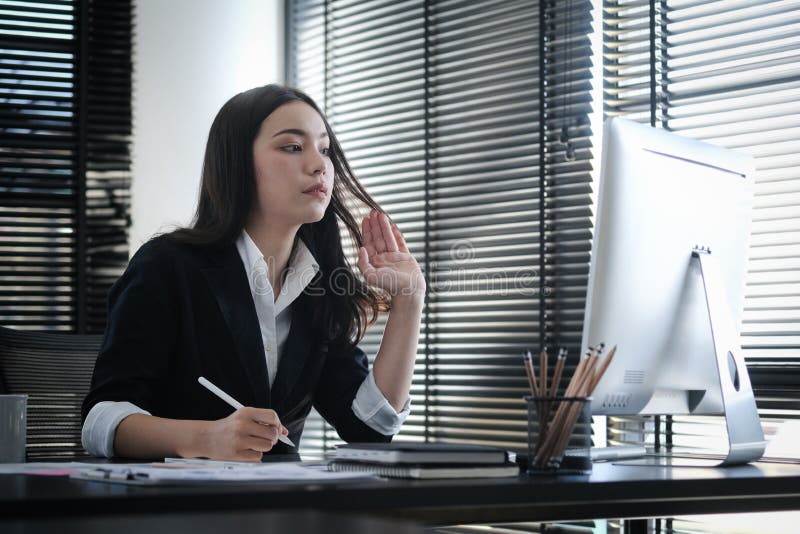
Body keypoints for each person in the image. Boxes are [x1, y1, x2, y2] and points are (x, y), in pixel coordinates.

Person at [81, 84, 425, 461]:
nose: (319, 164)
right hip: (176, 508)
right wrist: (206, 438)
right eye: (292, 147)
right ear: (238, 163)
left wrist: (409, 303)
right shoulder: (167, 265)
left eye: (324, 149)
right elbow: (101, 421)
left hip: (278, 509)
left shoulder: (320, 285)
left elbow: (369, 430)